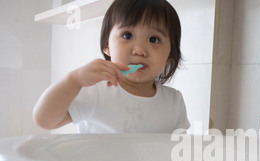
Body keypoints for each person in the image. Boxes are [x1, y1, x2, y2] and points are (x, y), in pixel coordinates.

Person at [33, 0, 190, 134]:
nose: (140, 50)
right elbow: (44, 120)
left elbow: (178, 153)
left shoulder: (174, 102)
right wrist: (74, 80)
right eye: (127, 36)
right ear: (107, 45)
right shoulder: (95, 91)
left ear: (170, 55)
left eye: (154, 39)